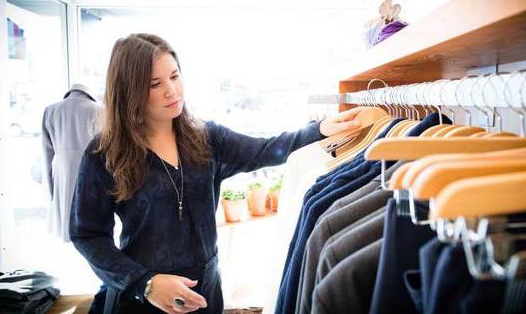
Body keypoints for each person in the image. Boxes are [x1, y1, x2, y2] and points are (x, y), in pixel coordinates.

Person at [69, 33, 363, 314]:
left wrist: (320, 130)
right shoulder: (105, 153)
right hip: (141, 302)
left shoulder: (206, 138)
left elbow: (267, 149)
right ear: (130, 91)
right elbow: (87, 234)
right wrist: (145, 283)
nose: (172, 90)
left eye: (174, 76)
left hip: (205, 295)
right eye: (154, 83)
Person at [42, 83, 102, 242]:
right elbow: (106, 152)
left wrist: (52, 191)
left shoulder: (50, 111)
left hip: (62, 174)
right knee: (91, 229)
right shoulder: (98, 110)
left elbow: (47, 156)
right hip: (91, 174)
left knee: (69, 225)